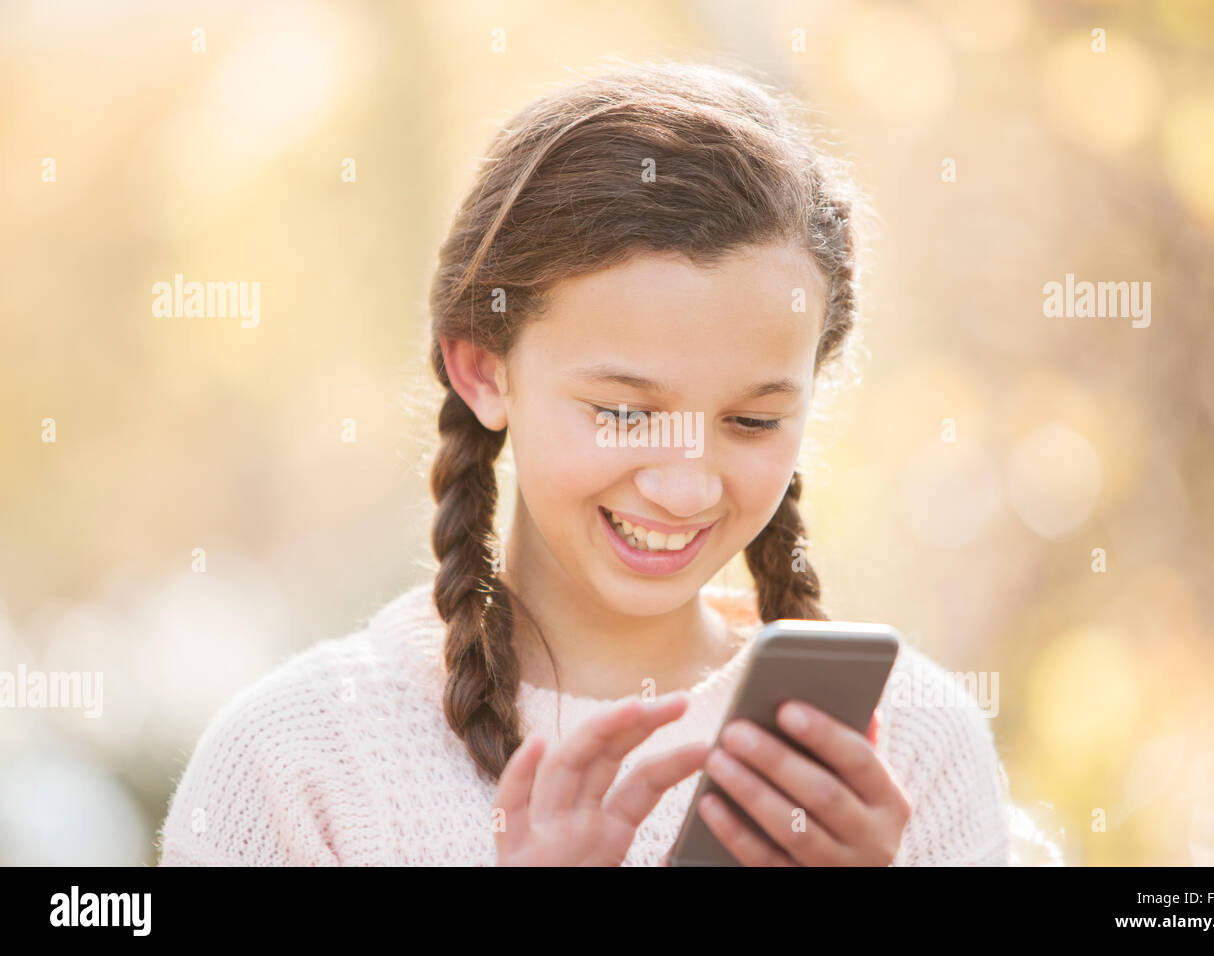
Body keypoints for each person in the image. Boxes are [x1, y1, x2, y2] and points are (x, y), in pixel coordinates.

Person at [157, 59, 1014, 866]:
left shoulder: (910, 749)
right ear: (485, 370)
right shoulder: (298, 763)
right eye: (622, 412)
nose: (685, 485)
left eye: (752, 419)